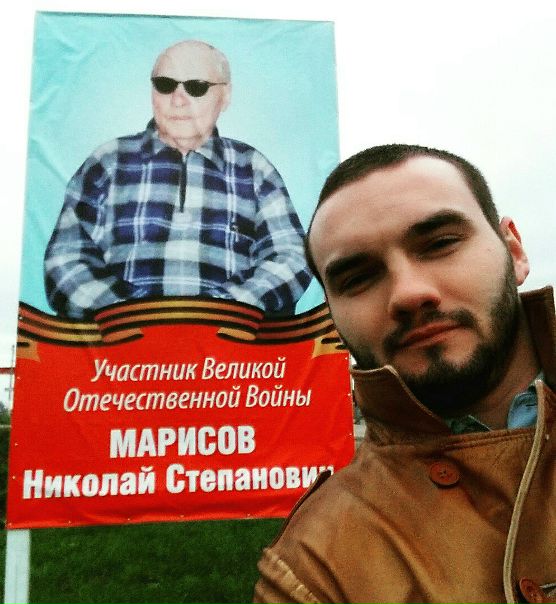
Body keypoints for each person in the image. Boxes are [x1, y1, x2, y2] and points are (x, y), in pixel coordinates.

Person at [254, 144, 556, 604]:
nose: (409, 293)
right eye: (358, 278)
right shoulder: (315, 567)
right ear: (332, 315)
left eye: (440, 244)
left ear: (513, 250)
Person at [44, 40, 311, 319]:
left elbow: (291, 256)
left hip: (231, 342)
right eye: (165, 85)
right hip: (121, 342)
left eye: (196, 87)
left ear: (225, 96)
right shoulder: (108, 161)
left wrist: (226, 310)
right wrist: (127, 314)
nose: (178, 100)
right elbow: (65, 260)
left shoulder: (253, 168)